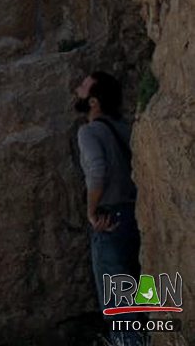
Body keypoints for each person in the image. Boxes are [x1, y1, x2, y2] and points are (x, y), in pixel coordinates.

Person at [73, 71, 146, 346]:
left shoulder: (89, 132)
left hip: (110, 221)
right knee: (149, 299)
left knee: (120, 308)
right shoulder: (126, 129)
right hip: (140, 218)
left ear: (93, 102)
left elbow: (97, 171)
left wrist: (92, 213)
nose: (77, 90)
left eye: (82, 87)